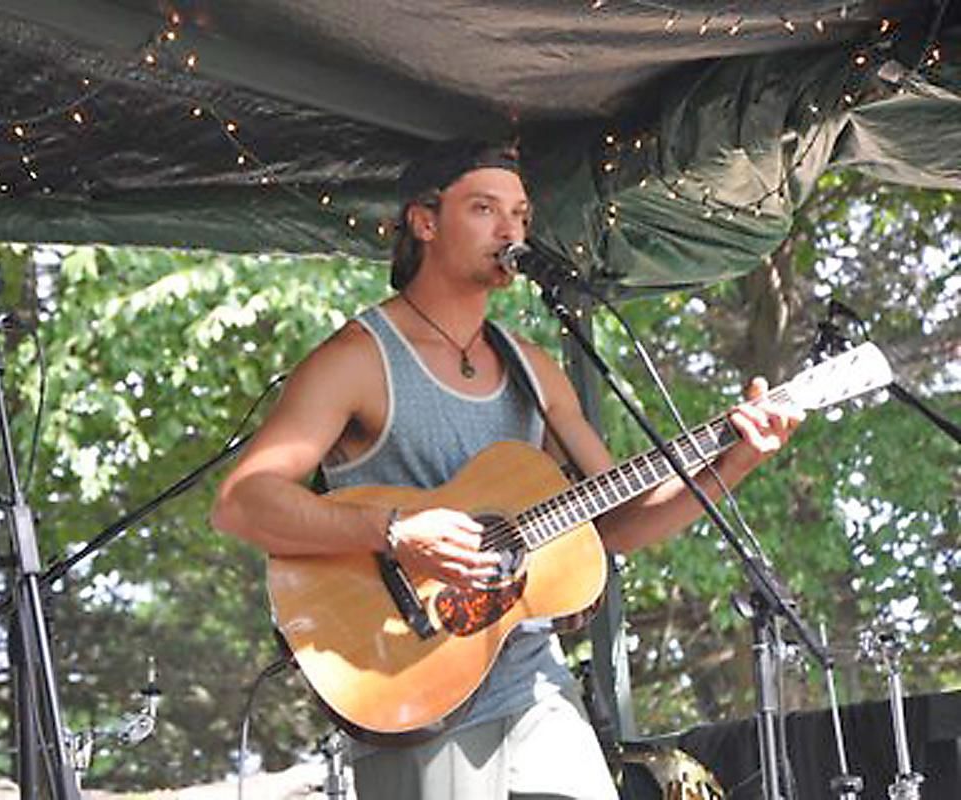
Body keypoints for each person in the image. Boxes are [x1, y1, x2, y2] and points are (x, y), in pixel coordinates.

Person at [211, 139, 803, 800]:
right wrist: (397, 531)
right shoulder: (356, 359)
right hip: (410, 683)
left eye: (520, 215)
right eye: (486, 209)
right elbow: (243, 502)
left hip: (534, 680)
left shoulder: (534, 369)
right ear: (425, 222)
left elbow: (618, 523)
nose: (511, 230)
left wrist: (739, 456)